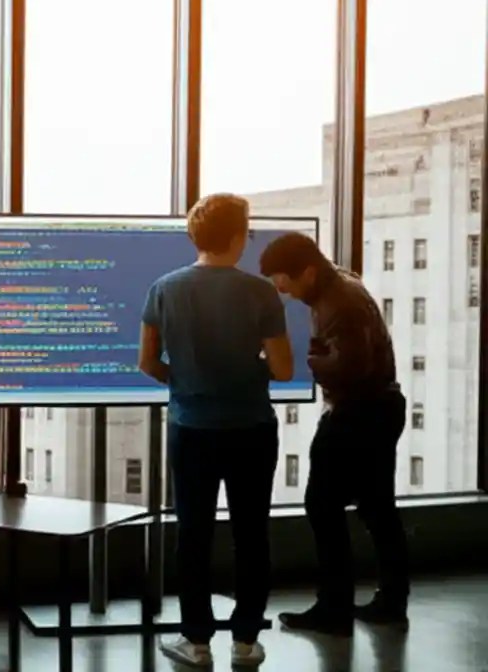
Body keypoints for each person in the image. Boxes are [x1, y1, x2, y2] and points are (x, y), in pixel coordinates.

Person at [138, 193, 293, 669]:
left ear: (195, 236)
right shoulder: (260, 292)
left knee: (194, 534)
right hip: (251, 429)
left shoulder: (164, 288)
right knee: (251, 535)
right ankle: (246, 642)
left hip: (191, 430)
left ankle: (196, 641)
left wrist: (184, 382)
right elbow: (284, 369)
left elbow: (147, 363)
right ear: (238, 236)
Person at [260, 232, 410, 636]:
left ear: (307, 271)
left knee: (322, 505)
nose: (282, 291)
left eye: (283, 281)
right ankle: (392, 601)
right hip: (381, 408)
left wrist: (312, 358)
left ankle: (334, 608)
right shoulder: (344, 285)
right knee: (378, 509)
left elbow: (350, 368)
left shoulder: (336, 302)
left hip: (357, 412)